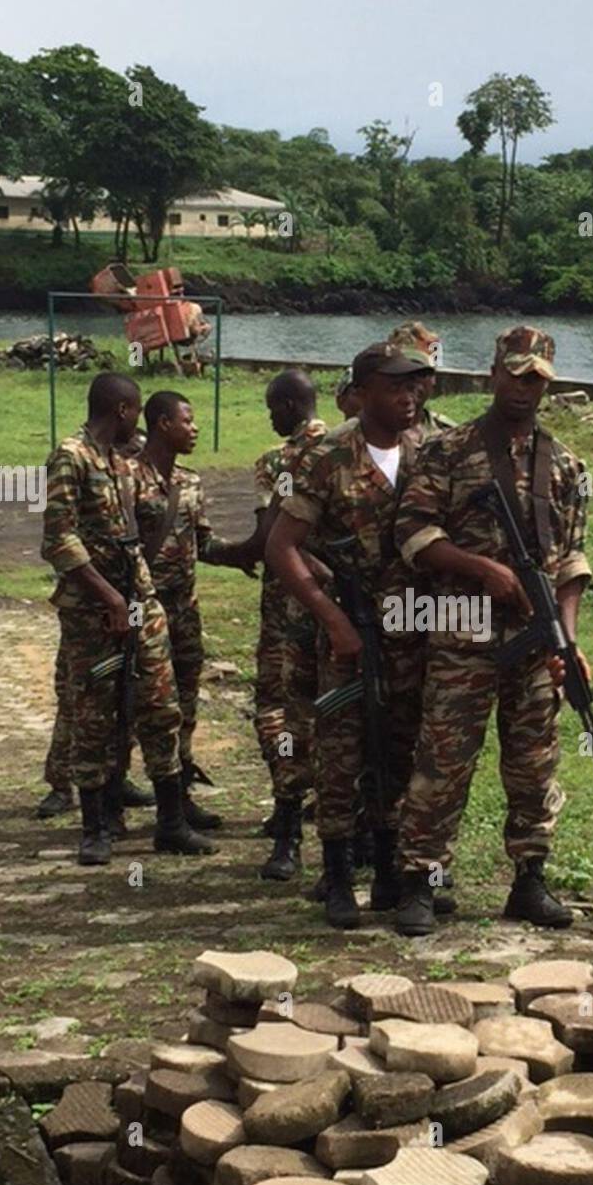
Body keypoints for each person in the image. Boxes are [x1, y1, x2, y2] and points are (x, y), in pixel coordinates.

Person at [392, 326, 593, 936]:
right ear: (492, 374)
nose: (525, 388)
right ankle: (421, 882)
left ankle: (530, 878)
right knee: (443, 759)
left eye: (537, 379)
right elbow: (413, 536)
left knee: (534, 762)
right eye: (516, 373)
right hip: (462, 627)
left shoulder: (565, 465)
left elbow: (573, 562)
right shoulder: (446, 452)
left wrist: (567, 640)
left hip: (534, 638)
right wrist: (482, 570)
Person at [265, 343, 431, 928]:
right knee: (339, 751)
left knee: (399, 746)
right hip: (348, 629)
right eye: (395, 386)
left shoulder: (426, 453)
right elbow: (281, 546)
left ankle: (388, 870)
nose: (409, 396)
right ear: (362, 393)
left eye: (416, 385)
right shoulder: (328, 455)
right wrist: (330, 619)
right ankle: (336, 876)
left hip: (411, 630)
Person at [41, 372, 216, 865]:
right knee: (94, 715)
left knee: (161, 706)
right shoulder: (71, 456)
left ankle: (170, 823)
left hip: (141, 600)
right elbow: (58, 539)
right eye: (136, 411)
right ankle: (96, 826)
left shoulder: (122, 460)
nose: (139, 422)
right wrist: (109, 599)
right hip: (93, 612)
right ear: (122, 410)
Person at [132, 391, 255, 831]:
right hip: (142, 613)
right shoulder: (127, 478)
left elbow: (204, 544)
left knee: (183, 705)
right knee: (144, 706)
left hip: (184, 612)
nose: (195, 427)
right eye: (188, 420)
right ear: (164, 424)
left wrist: (245, 552)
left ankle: (179, 796)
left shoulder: (190, 482)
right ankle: (113, 802)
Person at [252, 370, 328, 879]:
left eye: (271, 406)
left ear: (287, 405)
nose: (269, 416)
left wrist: (212, 551)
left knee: (278, 710)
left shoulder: (278, 462)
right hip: (344, 605)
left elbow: (267, 539)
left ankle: (286, 831)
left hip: (289, 606)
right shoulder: (350, 446)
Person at [35, 645, 155, 819]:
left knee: (125, 701)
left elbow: (136, 618)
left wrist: (132, 621)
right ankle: (61, 785)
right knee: (75, 706)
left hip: (124, 636)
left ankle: (117, 779)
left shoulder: (134, 617)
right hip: (84, 635)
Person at [389, 320, 456, 437]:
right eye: (401, 370)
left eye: (421, 372)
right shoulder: (364, 433)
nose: (410, 380)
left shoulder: (450, 433)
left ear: (433, 378)